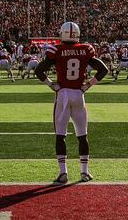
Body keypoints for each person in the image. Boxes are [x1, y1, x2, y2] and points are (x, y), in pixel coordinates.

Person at [36, 21, 108, 184]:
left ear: (62, 34)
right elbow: (103, 69)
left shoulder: (56, 50)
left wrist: (51, 85)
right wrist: (88, 85)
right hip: (78, 93)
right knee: (82, 135)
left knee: (60, 135)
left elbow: (38, 70)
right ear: (77, 34)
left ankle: (63, 173)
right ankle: (84, 172)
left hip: (62, 94)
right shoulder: (85, 49)